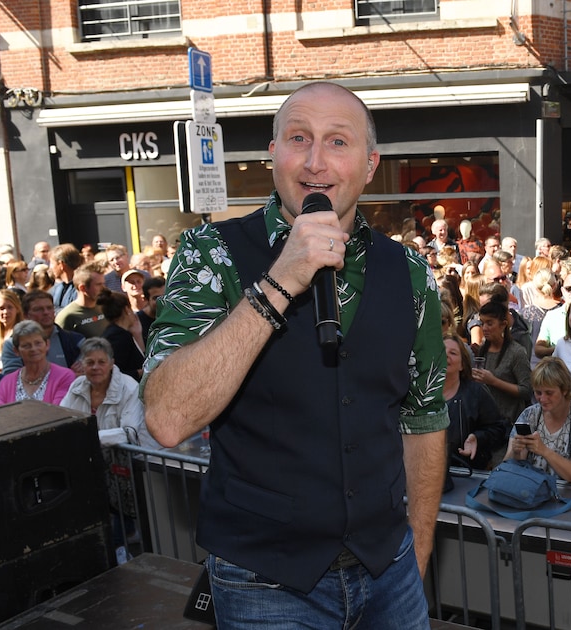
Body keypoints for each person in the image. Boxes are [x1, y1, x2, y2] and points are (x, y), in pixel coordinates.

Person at [143, 82, 446, 626]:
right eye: (298, 138)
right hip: (265, 582)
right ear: (272, 152)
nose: (314, 161)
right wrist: (280, 280)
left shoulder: (411, 272)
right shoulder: (211, 252)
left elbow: (423, 422)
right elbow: (167, 419)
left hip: (389, 571)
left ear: (370, 163)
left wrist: (417, 558)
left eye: (337, 142)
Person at [505, 357, 571, 485]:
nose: (542, 399)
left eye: (549, 393)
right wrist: (515, 452)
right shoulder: (529, 415)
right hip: (530, 491)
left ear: (564, 390)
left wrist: (544, 450)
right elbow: (508, 465)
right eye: (538, 392)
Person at [60, 337, 160, 449]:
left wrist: (90, 438)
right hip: (89, 455)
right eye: (90, 362)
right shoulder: (77, 386)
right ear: (82, 364)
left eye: (101, 362)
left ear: (111, 363)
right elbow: (61, 419)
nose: (95, 367)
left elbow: (129, 432)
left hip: (131, 459)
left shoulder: (129, 388)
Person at [440, 333, 505, 471]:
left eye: (453, 353)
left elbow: (499, 429)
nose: (446, 356)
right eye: (441, 351)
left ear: (462, 365)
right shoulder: (422, 393)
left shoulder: (477, 393)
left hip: (466, 471)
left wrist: (478, 437)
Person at [0, 320, 76, 406]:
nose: (33, 349)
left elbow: (58, 412)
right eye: (26, 345)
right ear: (16, 351)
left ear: (47, 344)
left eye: (38, 343)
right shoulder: (6, 382)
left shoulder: (64, 376)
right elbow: (1, 416)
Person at [1, 291, 83, 374]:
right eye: (38, 309)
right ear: (25, 315)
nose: (46, 312)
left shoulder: (75, 341)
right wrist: (67, 375)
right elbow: (12, 378)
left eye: (49, 308)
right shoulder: (12, 344)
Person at [97, 290, 144, 380]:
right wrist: (140, 372)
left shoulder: (119, 333)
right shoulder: (119, 337)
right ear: (127, 309)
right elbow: (115, 372)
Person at [56, 263, 108, 338]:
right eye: (98, 284)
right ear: (82, 288)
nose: (103, 288)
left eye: (103, 283)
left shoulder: (104, 308)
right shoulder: (67, 316)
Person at [0, 290, 23, 373]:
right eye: (1, 308)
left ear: (17, 309)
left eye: (10, 307)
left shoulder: (23, 334)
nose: (6, 312)